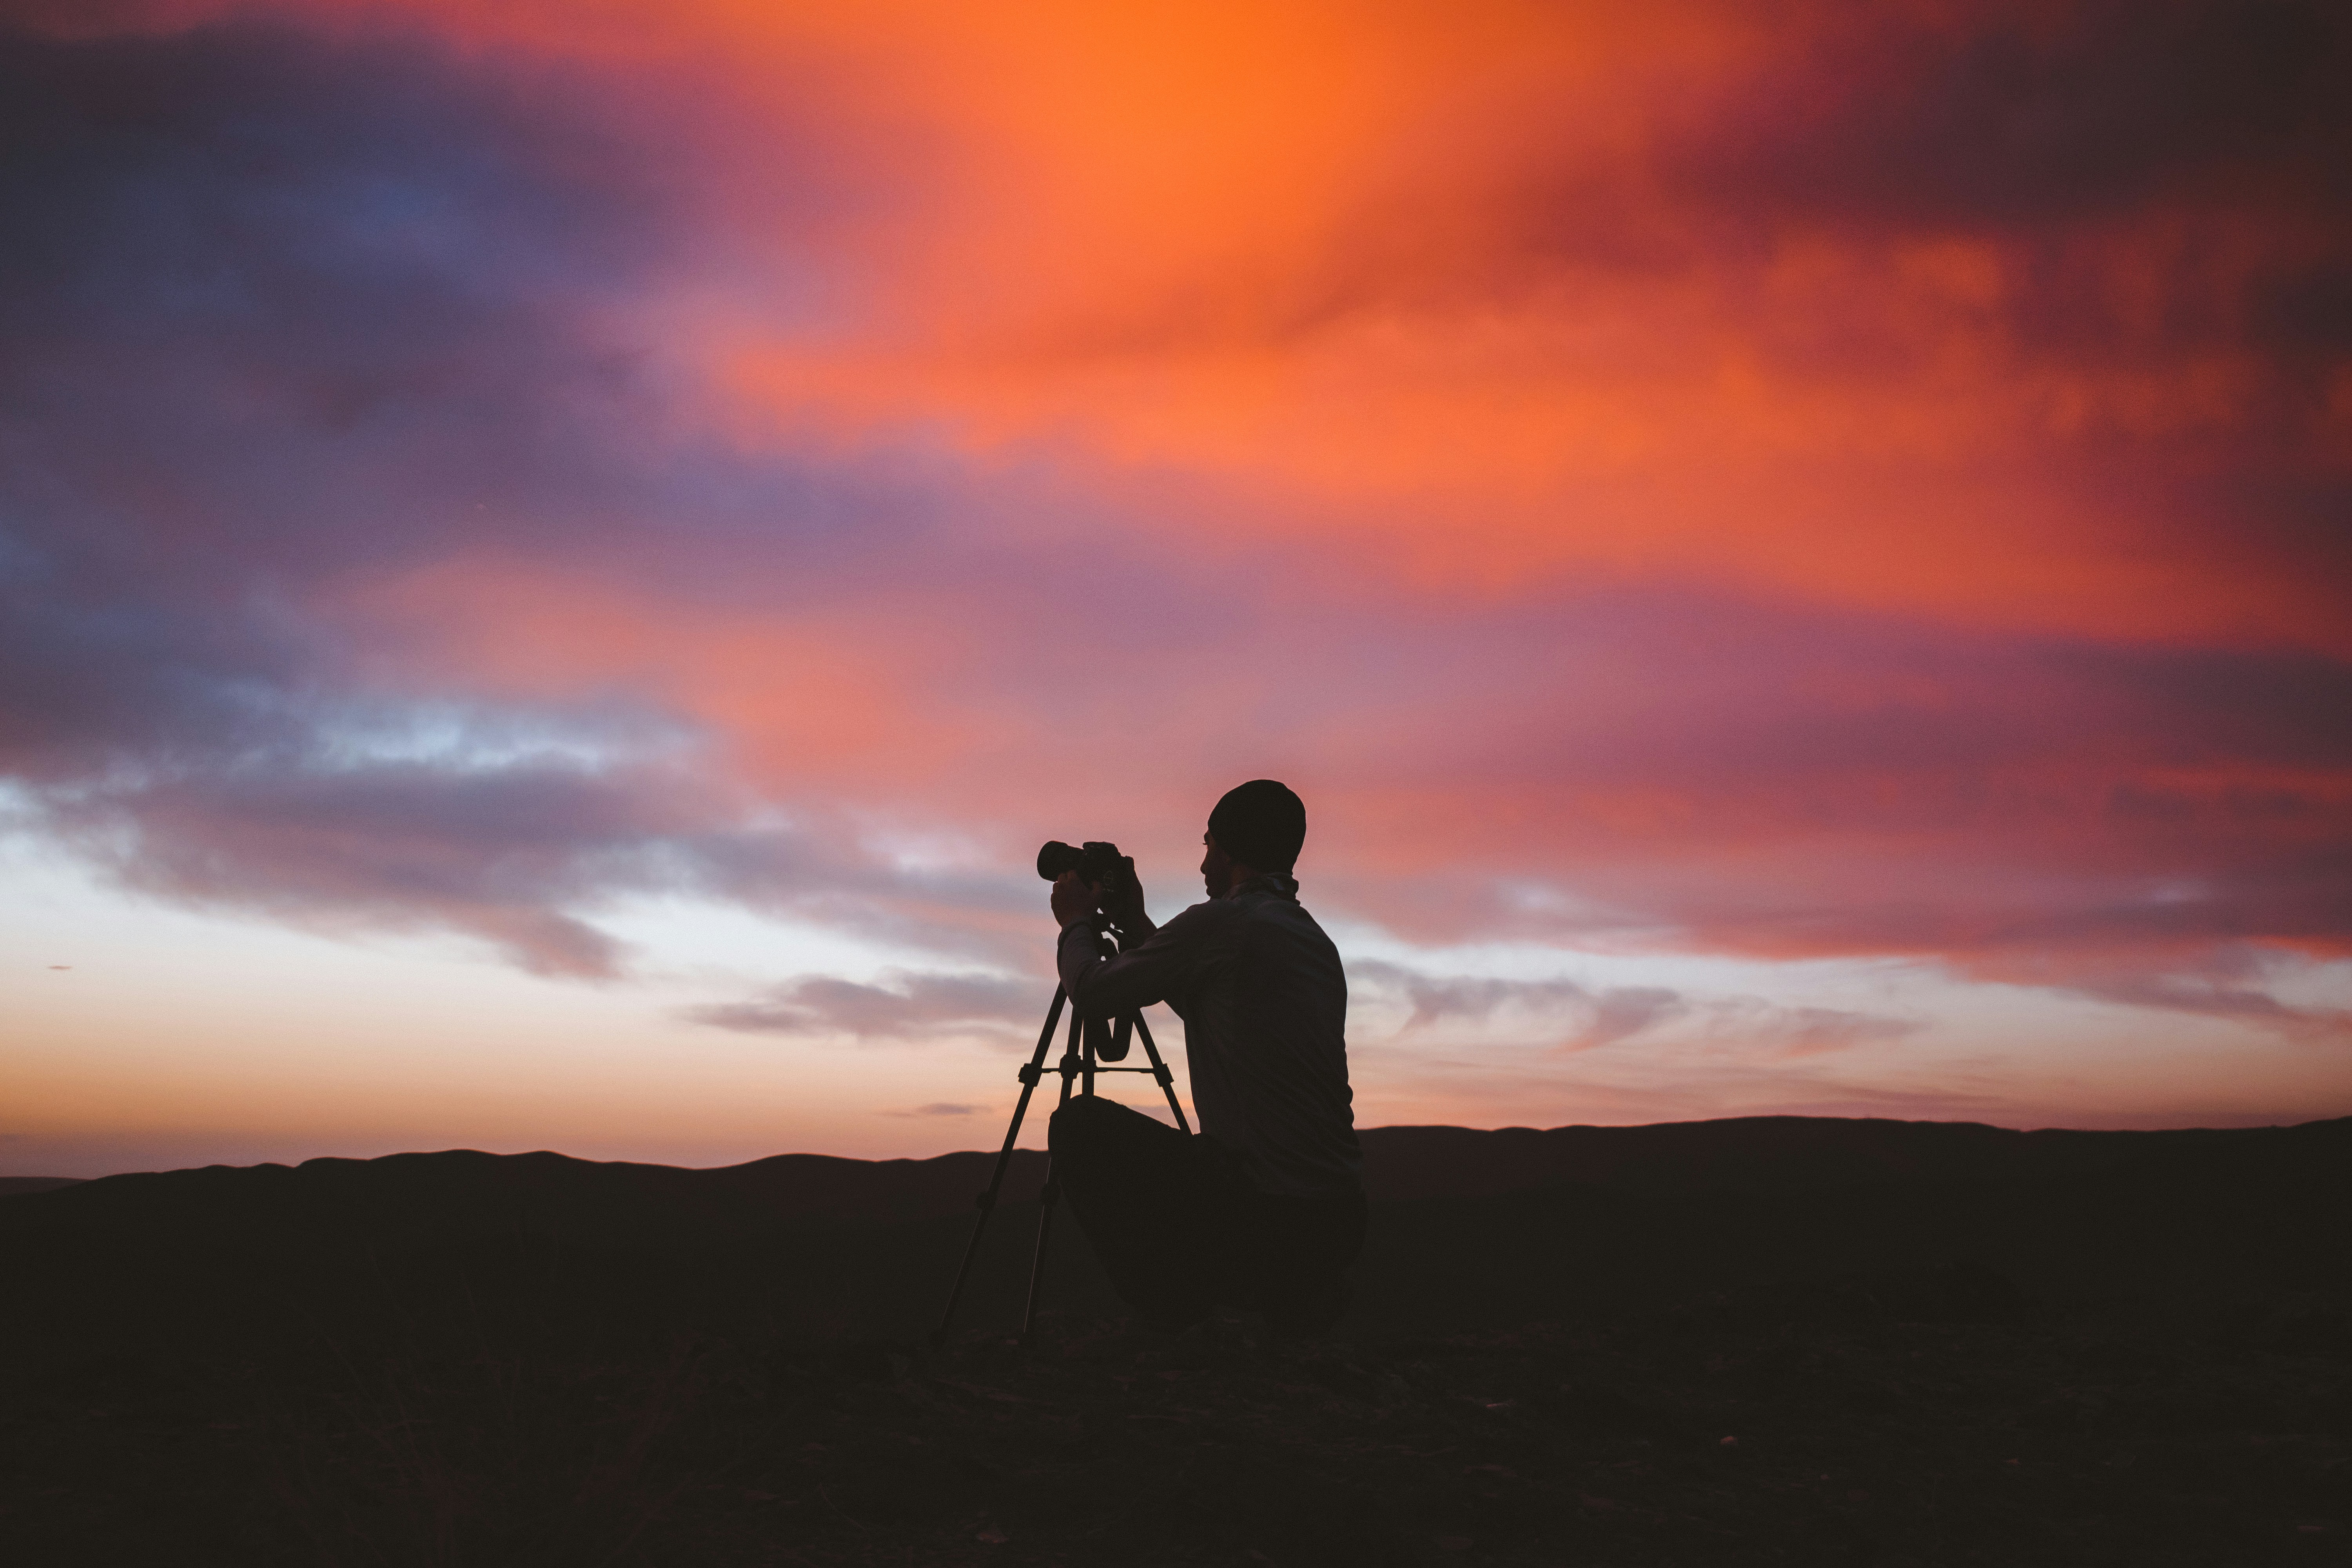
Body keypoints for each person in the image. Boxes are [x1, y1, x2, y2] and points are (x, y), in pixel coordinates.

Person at [1046, 779, 1364, 1338]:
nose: (1202, 864)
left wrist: (1075, 922)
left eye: (1207, 845)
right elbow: (1207, 1000)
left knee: (1081, 1126)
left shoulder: (1226, 923)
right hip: (1336, 1218)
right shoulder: (1310, 939)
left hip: (1267, 1217)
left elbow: (1094, 991)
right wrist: (1137, 925)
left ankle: (1181, 1321)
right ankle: (1299, 1294)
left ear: (1231, 850)